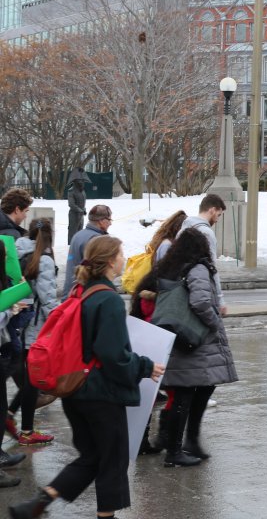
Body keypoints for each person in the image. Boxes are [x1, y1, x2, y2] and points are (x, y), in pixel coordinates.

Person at [8, 235, 166, 518]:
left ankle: (38, 503)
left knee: (92, 456)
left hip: (74, 389)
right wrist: (145, 366)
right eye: (121, 254)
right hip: (100, 393)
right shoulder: (108, 299)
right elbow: (113, 355)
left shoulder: (79, 291)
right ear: (110, 261)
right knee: (113, 459)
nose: (123, 259)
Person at [141, 228, 237, 467]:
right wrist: (214, 322)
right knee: (186, 394)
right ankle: (176, 450)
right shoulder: (198, 268)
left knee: (193, 390)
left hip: (177, 337)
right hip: (195, 339)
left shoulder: (170, 267)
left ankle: (182, 443)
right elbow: (201, 301)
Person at [7, 219, 58, 446]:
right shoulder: (44, 259)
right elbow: (47, 299)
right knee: (33, 379)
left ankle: (10, 415)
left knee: (29, 377)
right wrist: (59, 323)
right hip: (35, 327)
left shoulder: (16, 252)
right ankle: (26, 431)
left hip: (15, 321)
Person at [178, 194, 228, 316]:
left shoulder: (183, 229)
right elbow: (212, 267)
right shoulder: (207, 233)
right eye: (218, 215)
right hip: (201, 290)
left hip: (182, 289)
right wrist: (220, 299)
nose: (217, 220)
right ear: (212, 210)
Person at [62, 203, 111, 298]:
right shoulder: (95, 239)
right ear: (101, 221)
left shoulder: (78, 235)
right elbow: (97, 271)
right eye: (109, 220)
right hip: (84, 295)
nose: (110, 223)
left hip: (72, 291)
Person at [66, 173, 86, 244]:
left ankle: (78, 246)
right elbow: (71, 204)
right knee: (73, 232)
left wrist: (84, 209)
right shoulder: (71, 191)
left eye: (82, 180)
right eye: (80, 180)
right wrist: (80, 210)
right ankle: (71, 247)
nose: (82, 182)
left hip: (81, 214)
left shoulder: (82, 191)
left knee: (80, 232)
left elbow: (83, 202)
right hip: (74, 215)